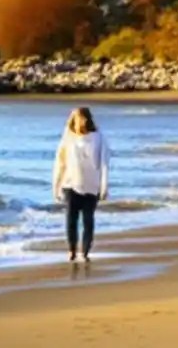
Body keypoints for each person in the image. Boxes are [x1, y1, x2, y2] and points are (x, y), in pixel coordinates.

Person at [52, 107, 110, 263]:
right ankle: (72, 250)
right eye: (78, 119)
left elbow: (104, 163)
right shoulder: (67, 139)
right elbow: (60, 163)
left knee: (88, 221)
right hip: (70, 185)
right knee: (71, 220)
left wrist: (104, 186)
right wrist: (56, 185)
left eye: (84, 118)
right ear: (74, 121)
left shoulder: (98, 138)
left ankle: (85, 252)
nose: (81, 122)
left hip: (91, 186)